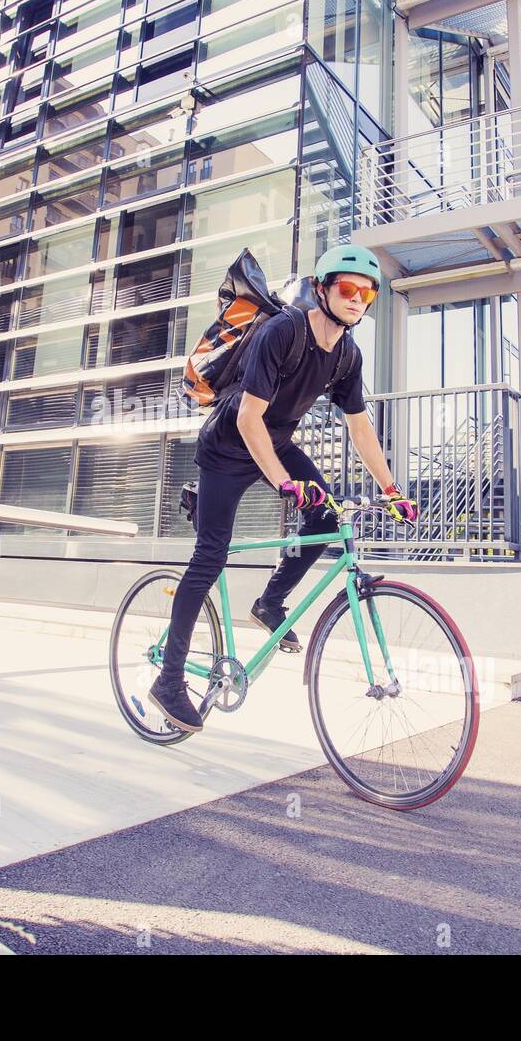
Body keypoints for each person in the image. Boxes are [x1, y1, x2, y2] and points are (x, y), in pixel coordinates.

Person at [149, 244, 419, 733]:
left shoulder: (347, 356)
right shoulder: (282, 332)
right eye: (347, 289)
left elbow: (360, 429)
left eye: (368, 294)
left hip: (275, 442)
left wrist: (393, 489)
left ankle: (270, 602)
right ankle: (169, 679)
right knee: (211, 556)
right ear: (322, 290)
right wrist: (284, 483)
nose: (357, 299)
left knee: (327, 516)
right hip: (229, 448)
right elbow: (250, 417)